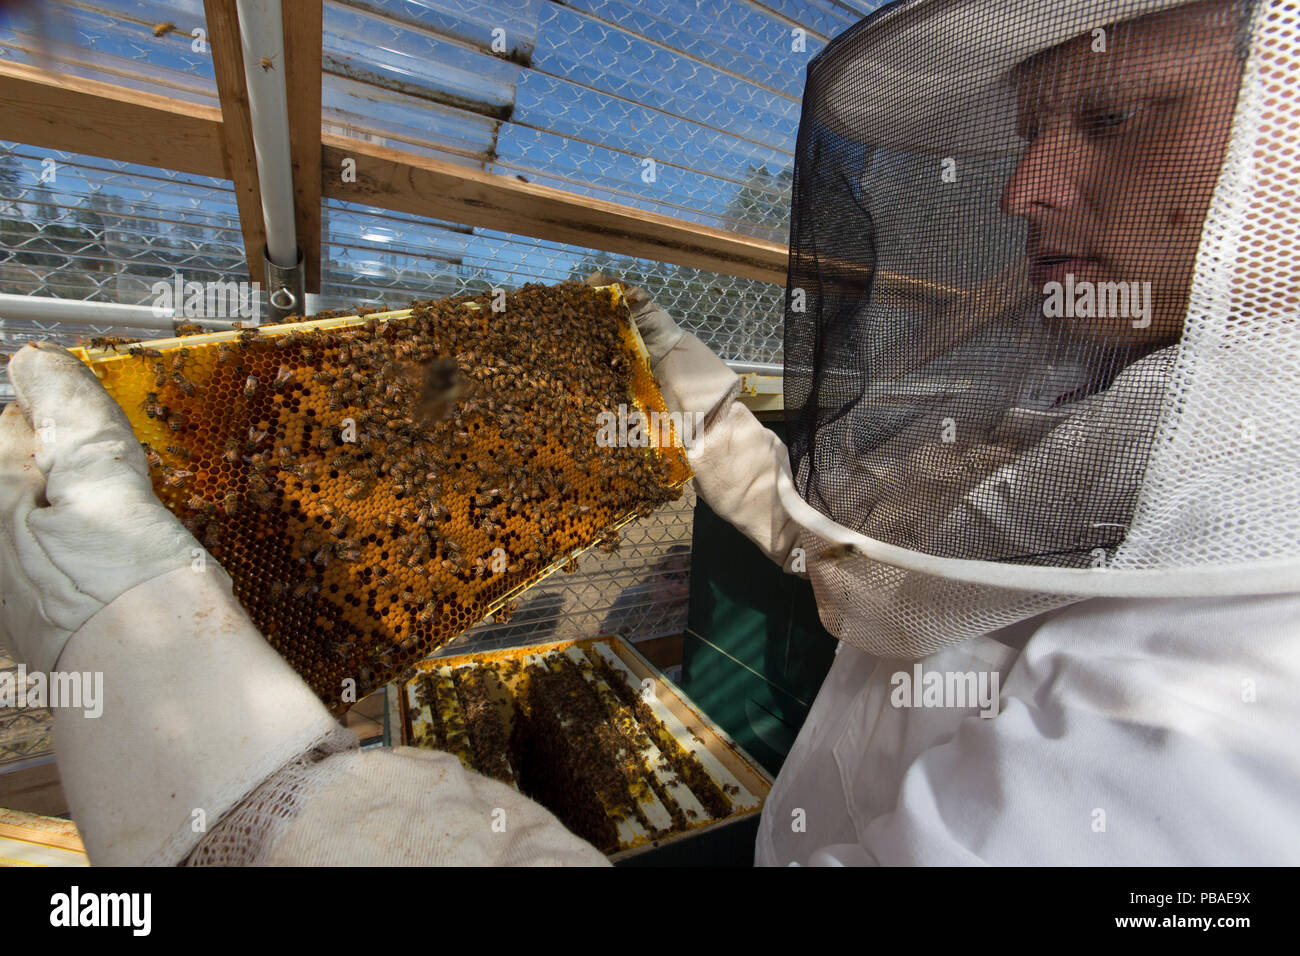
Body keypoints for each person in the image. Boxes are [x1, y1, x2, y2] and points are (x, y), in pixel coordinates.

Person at [2, 0, 1297, 865]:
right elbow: (886, 570)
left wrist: (214, 757)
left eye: (1119, 117)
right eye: (1024, 133)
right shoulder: (1130, 406)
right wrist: (711, 415)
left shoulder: (1256, 660)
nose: (1021, 188)